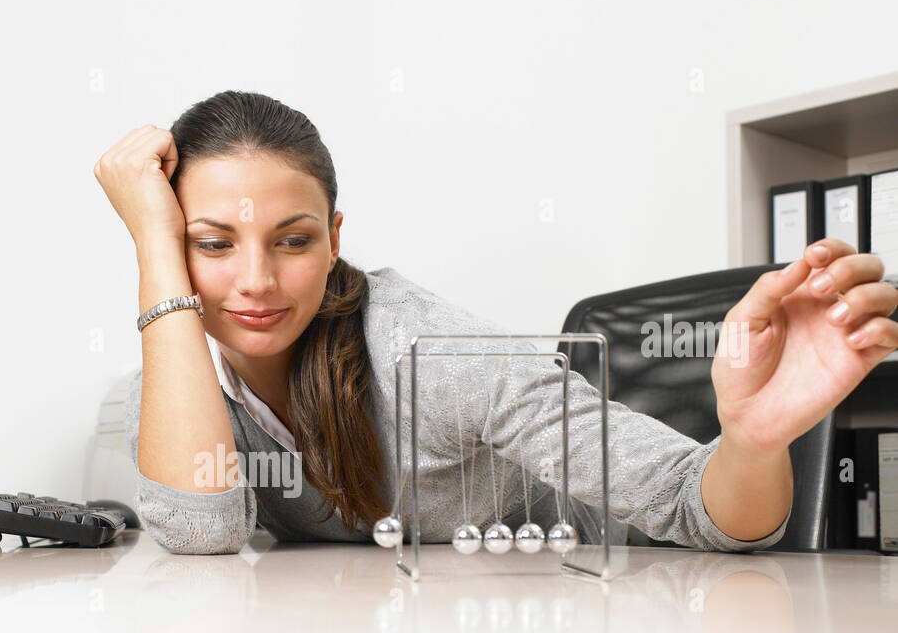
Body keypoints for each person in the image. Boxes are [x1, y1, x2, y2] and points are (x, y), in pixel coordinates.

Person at [94, 90, 898, 556]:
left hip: (604, 622)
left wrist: (752, 442)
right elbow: (201, 532)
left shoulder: (431, 355)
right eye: (212, 244)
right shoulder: (175, 383)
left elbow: (697, 505)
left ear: (337, 240)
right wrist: (155, 256)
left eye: (294, 240)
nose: (256, 280)